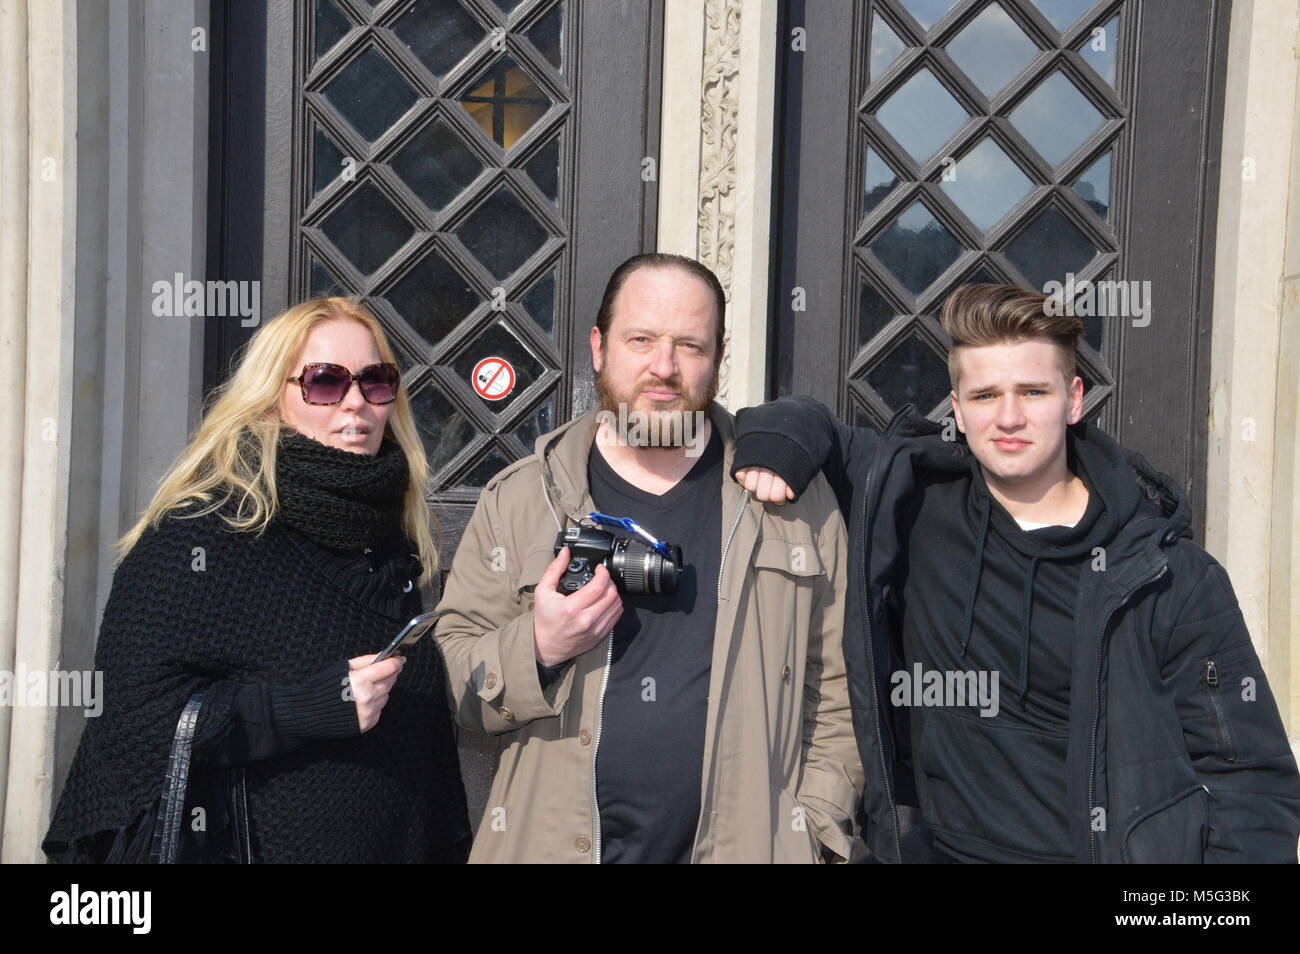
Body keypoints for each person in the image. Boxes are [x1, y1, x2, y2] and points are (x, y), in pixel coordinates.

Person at [731, 283, 1300, 863]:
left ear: (1073, 400)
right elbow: (799, 419)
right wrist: (776, 446)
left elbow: (1250, 778)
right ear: (956, 409)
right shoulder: (911, 504)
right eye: (984, 396)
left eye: (1033, 391)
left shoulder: (1167, 574)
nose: (1008, 418)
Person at [435, 253, 861, 863]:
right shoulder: (525, 496)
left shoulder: (789, 498)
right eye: (642, 339)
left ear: (718, 356)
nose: (664, 368)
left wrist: (814, 833)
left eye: (690, 345)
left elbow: (840, 686)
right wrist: (538, 649)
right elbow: (452, 680)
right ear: (599, 346)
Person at [42, 297, 471, 863]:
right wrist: (306, 707)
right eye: (324, 383)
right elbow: (132, 722)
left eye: (375, 380)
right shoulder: (202, 534)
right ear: (272, 398)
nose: (355, 404)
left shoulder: (391, 535)